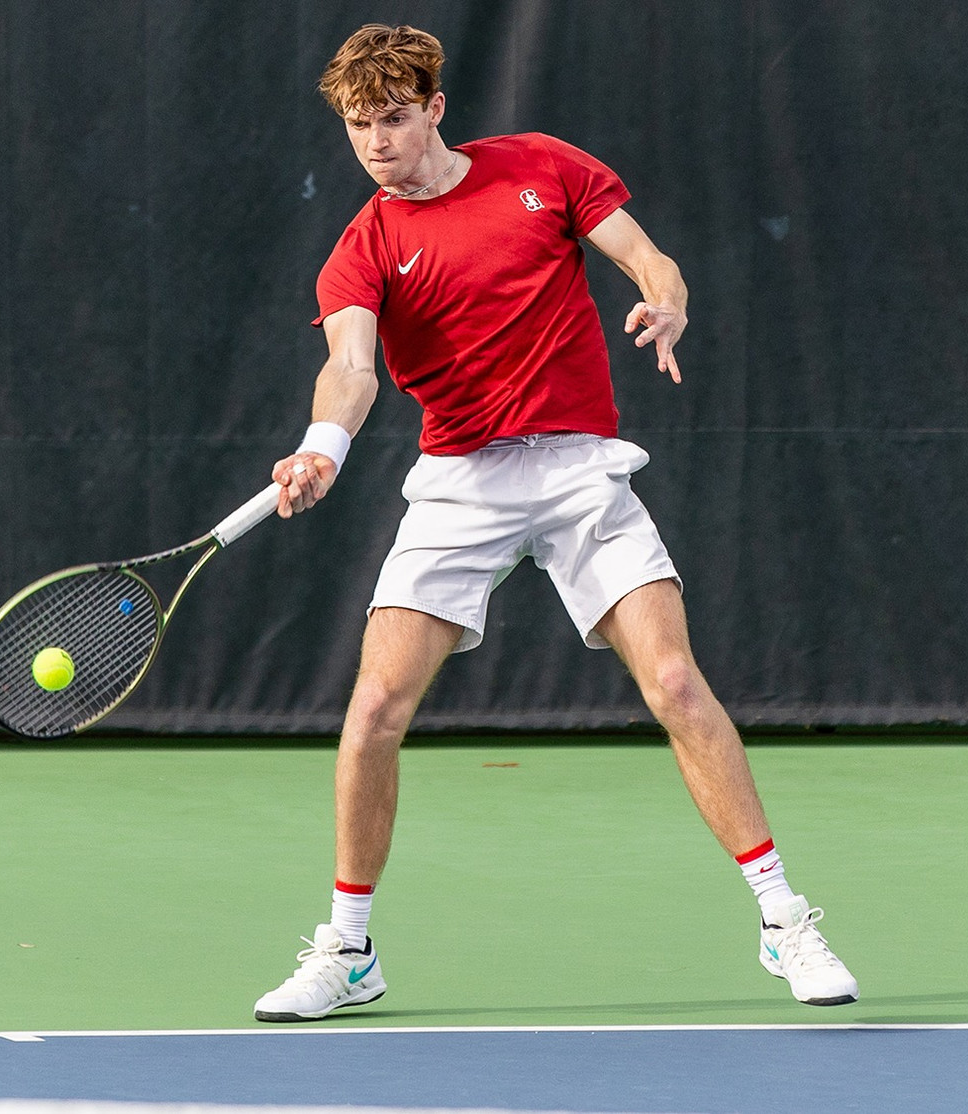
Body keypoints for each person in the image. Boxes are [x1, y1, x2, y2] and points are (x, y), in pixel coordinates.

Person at [250, 24, 859, 1023]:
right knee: (374, 711)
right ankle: (348, 951)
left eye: (393, 119)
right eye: (358, 126)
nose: (376, 144)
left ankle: (783, 918)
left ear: (436, 108)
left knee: (675, 681)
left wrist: (665, 303)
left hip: (579, 470)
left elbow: (649, 259)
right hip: (461, 485)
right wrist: (324, 446)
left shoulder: (541, 167)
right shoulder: (364, 246)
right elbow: (351, 368)